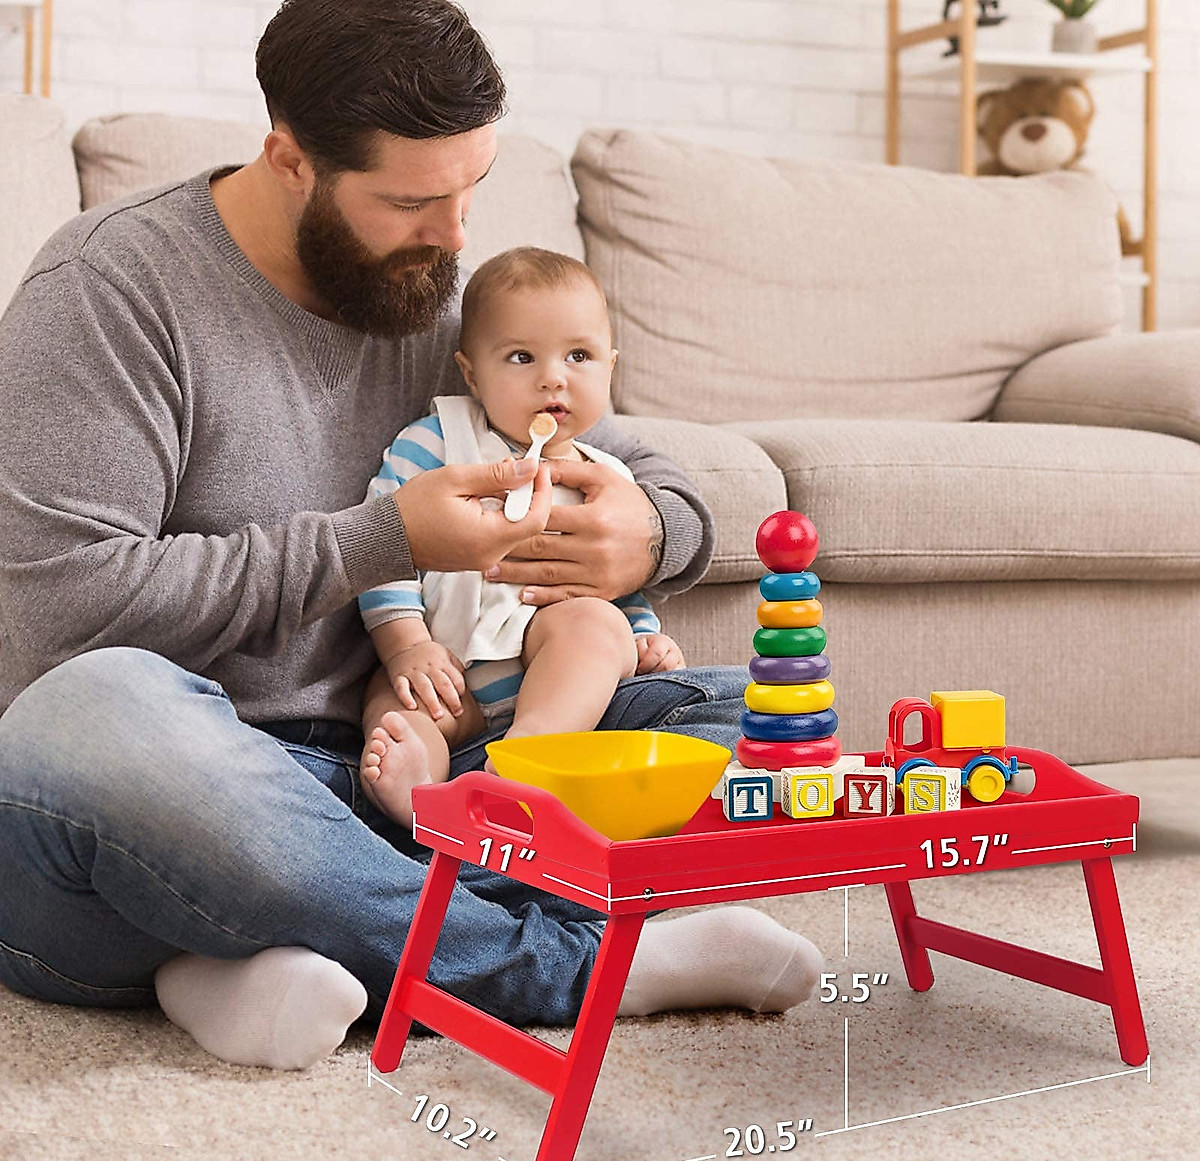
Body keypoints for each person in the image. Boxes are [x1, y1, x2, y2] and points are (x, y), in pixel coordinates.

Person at [0, 0, 821, 1073]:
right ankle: (581, 967)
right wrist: (377, 541)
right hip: (196, 794)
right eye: (412, 200)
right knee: (97, 719)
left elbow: (639, 463)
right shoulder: (113, 289)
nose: (455, 234)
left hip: (420, 779)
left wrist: (652, 533)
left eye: (473, 187)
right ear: (288, 158)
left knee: (754, 714)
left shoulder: (430, 289)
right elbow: (58, 610)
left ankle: (277, 957)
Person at [358, 247, 689, 827]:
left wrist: (641, 636)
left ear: (611, 367)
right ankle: (423, 797)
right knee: (393, 706)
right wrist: (407, 646)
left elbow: (616, 581)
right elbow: (380, 549)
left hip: (547, 666)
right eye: (520, 357)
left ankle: (528, 757)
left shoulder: (610, 480)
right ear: (471, 373)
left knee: (593, 626)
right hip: (446, 669)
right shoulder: (435, 443)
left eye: (579, 356)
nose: (552, 377)